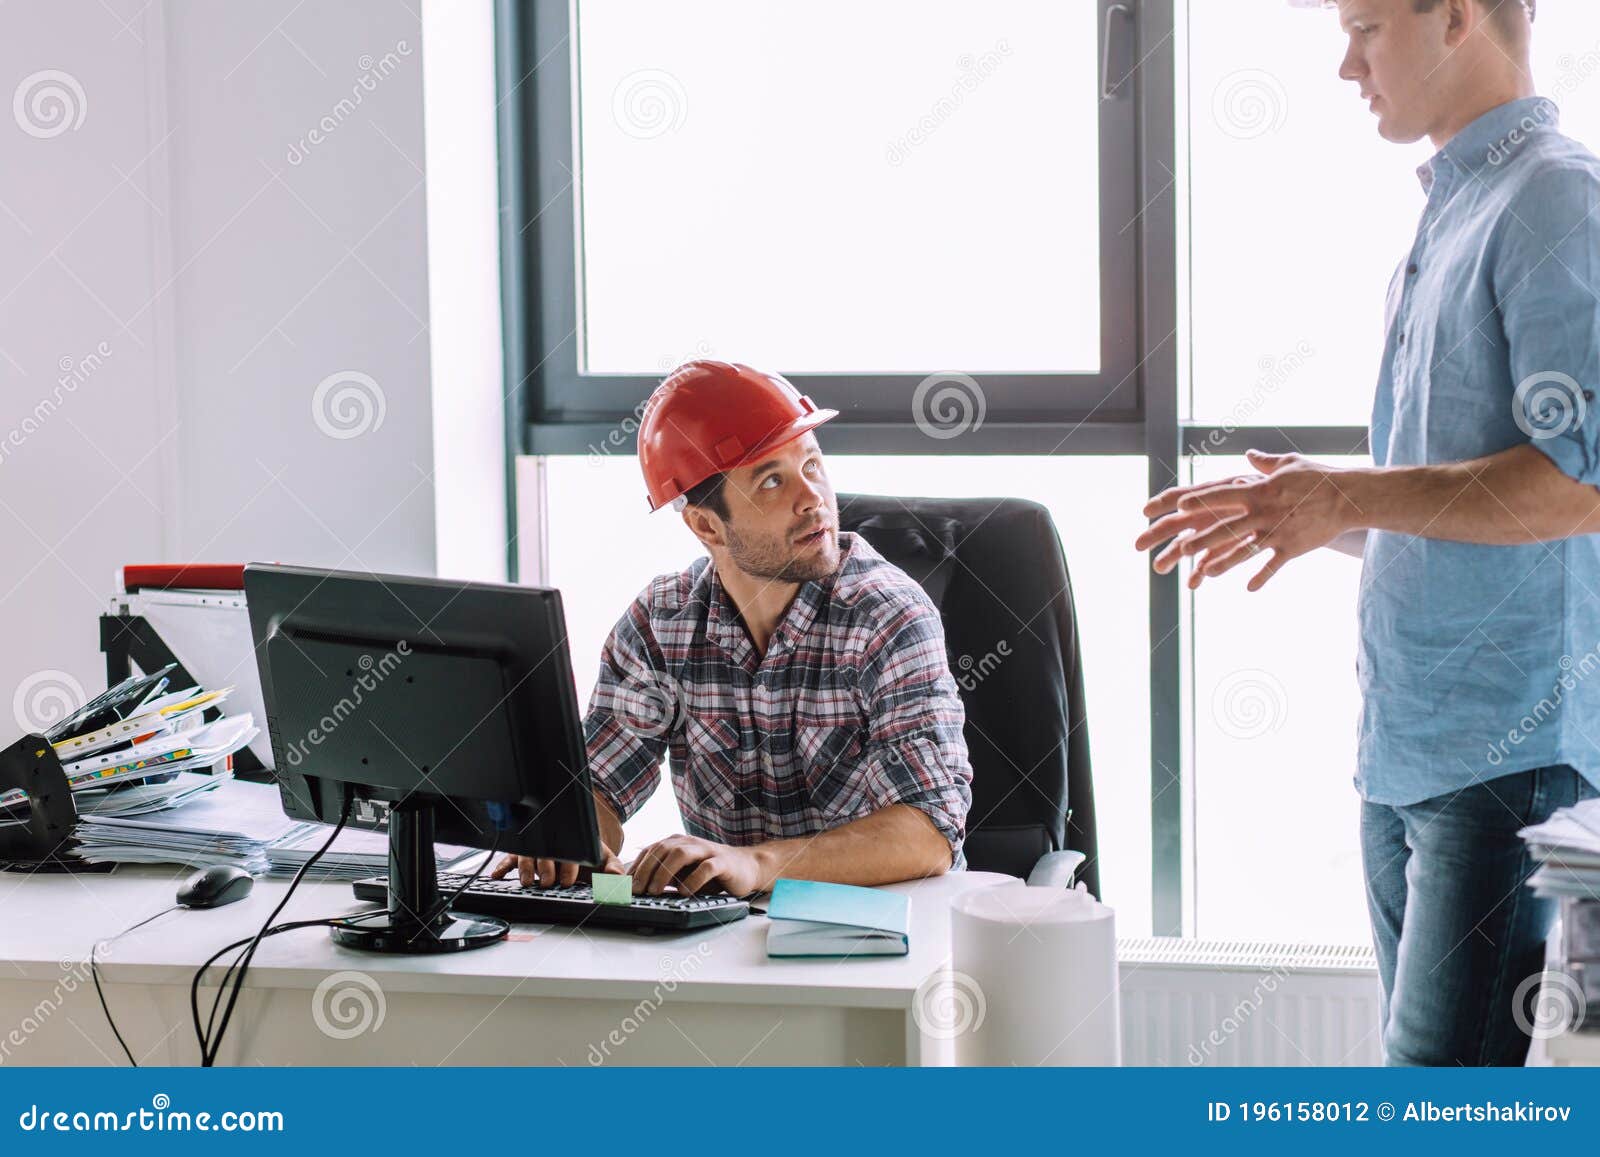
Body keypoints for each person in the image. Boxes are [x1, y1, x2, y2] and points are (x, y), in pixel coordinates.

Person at [1138, 0, 1600, 1065]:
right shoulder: (1457, 208)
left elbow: (1576, 487)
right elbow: (1455, 503)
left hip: (1506, 761)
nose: (1346, 64)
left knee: (1441, 1106)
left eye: (1363, 27)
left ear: (1453, 19)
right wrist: (1309, 513)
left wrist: (1345, 496)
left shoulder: (1555, 200)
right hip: (1409, 755)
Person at [493, 359, 973, 899]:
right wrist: (567, 839)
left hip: (876, 938)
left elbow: (930, 831)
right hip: (723, 946)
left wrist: (756, 865)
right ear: (705, 525)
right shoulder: (660, 623)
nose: (813, 497)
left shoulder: (889, 617)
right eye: (772, 480)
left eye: (812, 464)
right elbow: (598, 786)